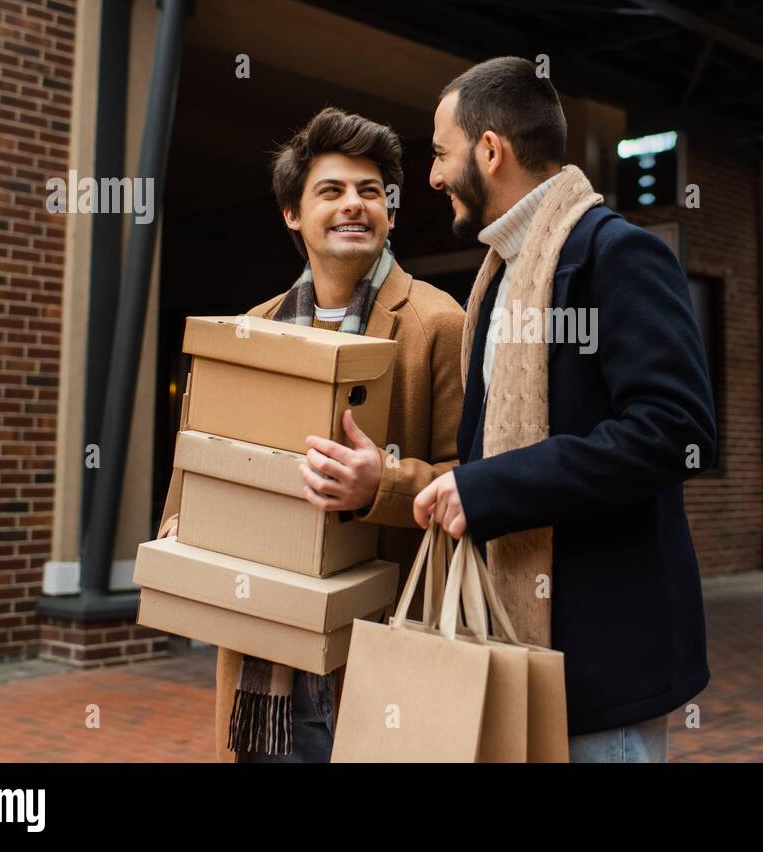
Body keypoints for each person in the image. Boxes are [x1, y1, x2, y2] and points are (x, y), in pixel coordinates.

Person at [414, 56, 716, 763]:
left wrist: (491, 488)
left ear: (490, 150)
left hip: (599, 663)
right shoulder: (496, 282)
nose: (430, 176)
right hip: (510, 649)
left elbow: (674, 431)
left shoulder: (619, 255)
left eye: (438, 151)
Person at [156, 106, 465, 762]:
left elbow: (476, 480)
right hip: (264, 658)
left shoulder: (438, 324)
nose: (355, 205)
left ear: (390, 212)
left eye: (371, 192)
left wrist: (380, 484)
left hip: (378, 655)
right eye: (332, 190)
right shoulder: (250, 328)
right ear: (292, 214)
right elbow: (200, 464)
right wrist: (183, 529)